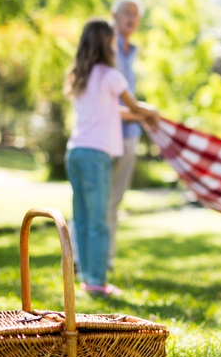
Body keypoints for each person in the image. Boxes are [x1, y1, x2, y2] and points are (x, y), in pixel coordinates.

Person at [64, 18, 159, 297]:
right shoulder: (110, 75)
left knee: (81, 218)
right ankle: (97, 281)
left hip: (76, 153)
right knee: (99, 219)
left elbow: (111, 111)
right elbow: (133, 106)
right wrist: (151, 112)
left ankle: (85, 278)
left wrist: (144, 114)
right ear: (107, 44)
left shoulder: (78, 75)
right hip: (96, 156)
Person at [108, 0, 145, 270]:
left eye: (135, 14)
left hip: (129, 132)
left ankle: (103, 261)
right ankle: (82, 259)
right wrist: (145, 113)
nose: (131, 18)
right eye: (126, 12)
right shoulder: (106, 48)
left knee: (115, 199)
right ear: (114, 14)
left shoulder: (131, 52)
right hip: (106, 132)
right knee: (96, 199)